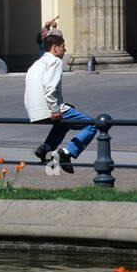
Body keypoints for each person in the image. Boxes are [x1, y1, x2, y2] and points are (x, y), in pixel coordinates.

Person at [25, 31, 97, 173]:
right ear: (54, 48)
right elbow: (50, 87)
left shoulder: (36, 64)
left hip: (34, 111)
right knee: (91, 125)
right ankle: (66, 152)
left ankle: (45, 148)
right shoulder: (55, 61)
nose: (65, 50)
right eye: (63, 46)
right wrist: (54, 108)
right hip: (48, 108)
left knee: (63, 123)